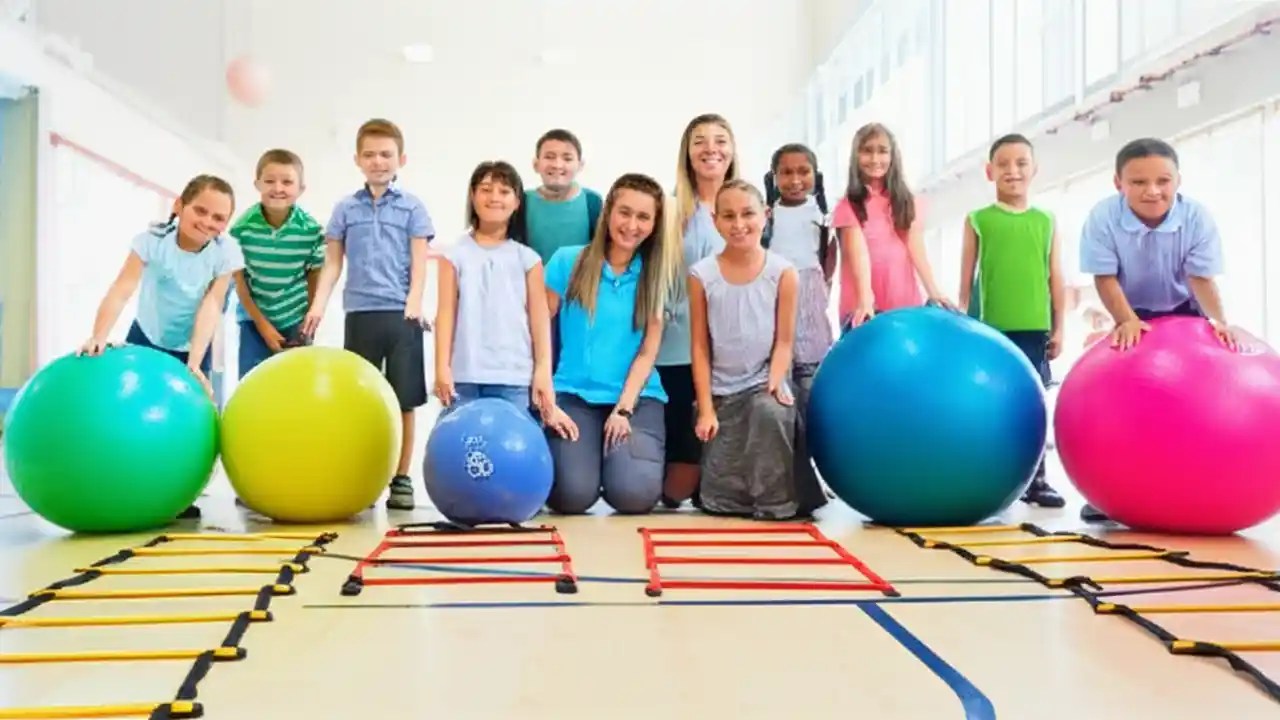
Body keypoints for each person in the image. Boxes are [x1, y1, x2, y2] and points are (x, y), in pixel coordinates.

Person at [1077, 136, 1238, 522]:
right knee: (1123, 406)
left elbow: (1201, 278)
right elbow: (1105, 277)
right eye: (1138, 182)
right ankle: (1110, 495)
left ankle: (1196, 486)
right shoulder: (1103, 217)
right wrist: (1126, 320)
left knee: (1196, 403)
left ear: (1178, 180)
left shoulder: (1196, 217)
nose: (1152, 191)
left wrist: (1219, 321)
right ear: (1118, 183)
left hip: (1187, 311)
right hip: (1133, 311)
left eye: (1163, 181)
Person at [79, 173, 244, 520]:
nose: (208, 222)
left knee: (188, 423)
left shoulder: (226, 251)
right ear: (179, 206)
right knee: (134, 413)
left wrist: (194, 362)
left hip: (192, 343)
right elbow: (122, 288)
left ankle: (179, 494)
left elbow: (212, 304)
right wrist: (99, 334)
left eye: (219, 218)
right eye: (200, 210)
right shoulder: (151, 241)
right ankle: (131, 483)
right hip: (147, 337)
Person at [303, 118, 435, 511]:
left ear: (401, 159)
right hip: (360, 314)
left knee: (404, 401)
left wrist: (414, 302)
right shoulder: (345, 209)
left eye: (386, 154)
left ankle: (401, 478)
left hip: (401, 316)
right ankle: (362, 476)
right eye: (370, 155)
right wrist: (318, 305)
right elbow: (332, 264)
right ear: (358, 160)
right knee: (361, 400)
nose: (378, 161)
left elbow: (420, 263)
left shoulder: (413, 208)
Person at [541, 173, 673, 515]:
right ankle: (588, 457)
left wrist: (623, 410)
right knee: (570, 496)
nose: (631, 225)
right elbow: (537, 328)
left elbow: (647, 352)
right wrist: (545, 397)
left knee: (634, 496)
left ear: (655, 224)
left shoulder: (656, 276)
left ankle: (616, 461)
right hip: (574, 395)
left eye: (643, 217)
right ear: (608, 212)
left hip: (636, 399)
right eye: (624, 212)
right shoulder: (567, 262)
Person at [958, 133, 1066, 509]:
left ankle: (1037, 480)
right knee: (990, 403)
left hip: (1035, 328)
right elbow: (966, 278)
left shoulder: (1046, 220)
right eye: (1003, 164)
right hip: (992, 330)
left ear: (1034, 169)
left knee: (1032, 406)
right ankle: (988, 477)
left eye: (1021, 163)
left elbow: (1055, 277)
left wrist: (1060, 327)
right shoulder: (978, 219)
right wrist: (963, 321)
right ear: (989, 172)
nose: (1013, 171)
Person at [690, 180, 801, 519]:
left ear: (765, 215)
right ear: (715, 220)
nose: (739, 224)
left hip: (761, 383)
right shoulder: (701, 275)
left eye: (748, 214)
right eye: (728, 216)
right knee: (719, 500)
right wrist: (706, 408)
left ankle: (777, 503)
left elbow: (784, 341)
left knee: (770, 412)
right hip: (721, 393)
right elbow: (700, 346)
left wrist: (774, 382)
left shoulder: (783, 272)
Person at [655, 113, 738, 508]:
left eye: (720, 140)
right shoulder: (670, 209)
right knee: (676, 490)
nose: (711, 149)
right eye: (700, 141)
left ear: (732, 150)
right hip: (677, 349)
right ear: (687, 153)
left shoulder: (744, 207)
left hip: (730, 348)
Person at [434, 160, 554, 417]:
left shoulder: (528, 259)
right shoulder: (453, 255)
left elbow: (539, 319)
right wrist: (442, 367)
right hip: (464, 376)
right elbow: (445, 314)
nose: (494, 197)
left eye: (504, 191)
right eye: (486, 189)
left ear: (517, 202)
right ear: (473, 195)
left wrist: (543, 371)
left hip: (514, 377)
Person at [760, 143, 836, 514]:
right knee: (781, 394)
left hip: (811, 301)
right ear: (773, 177)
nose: (794, 180)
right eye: (786, 173)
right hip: (776, 300)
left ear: (815, 176)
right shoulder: (767, 215)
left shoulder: (822, 215)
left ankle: (816, 477)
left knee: (811, 392)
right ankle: (785, 480)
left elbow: (828, 259)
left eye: (803, 172)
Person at [833, 122, 954, 331]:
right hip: (863, 305)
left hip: (903, 301)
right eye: (867, 151)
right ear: (856, 156)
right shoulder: (848, 206)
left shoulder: (908, 201)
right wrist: (865, 299)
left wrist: (934, 291)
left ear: (892, 156)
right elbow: (858, 254)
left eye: (882, 151)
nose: (875, 159)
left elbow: (916, 249)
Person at [230, 149, 325, 378]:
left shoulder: (311, 231)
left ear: (301, 189)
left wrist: (307, 325)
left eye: (287, 182)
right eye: (269, 181)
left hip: (295, 320)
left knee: (296, 381)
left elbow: (315, 278)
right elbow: (239, 282)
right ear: (257, 184)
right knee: (253, 381)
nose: (278, 188)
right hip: (254, 320)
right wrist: (263, 326)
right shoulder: (241, 229)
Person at [524, 129, 604, 264]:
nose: (557, 165)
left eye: (567, 158)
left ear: (580, 165)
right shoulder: (522, 201)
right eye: (549, 157)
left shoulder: (592, 202)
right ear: (536, 165)